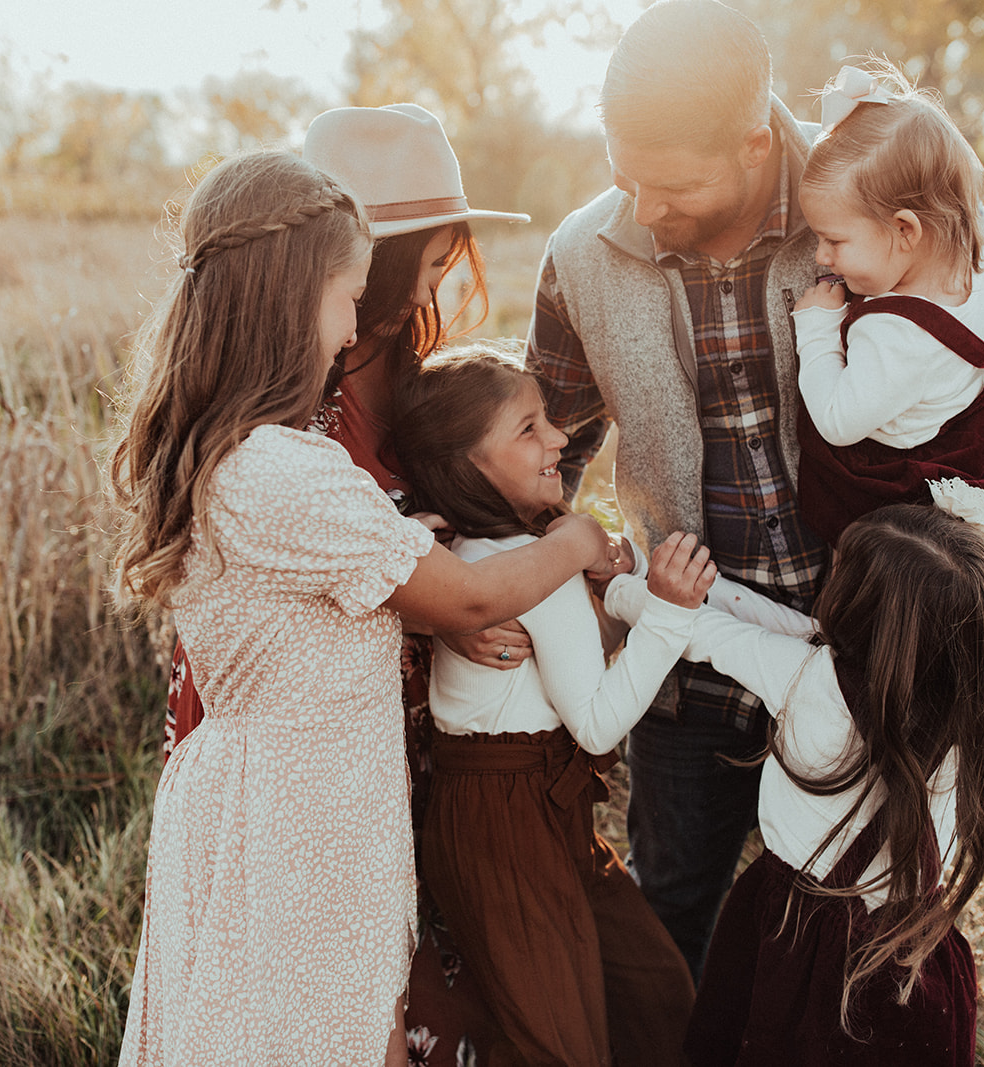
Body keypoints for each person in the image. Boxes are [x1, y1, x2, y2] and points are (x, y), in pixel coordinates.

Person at [524, 0, 984, 978]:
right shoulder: (580, 254)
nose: (641, 207)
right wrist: (521, 582)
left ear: (752, 138)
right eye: (623, 178)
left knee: (877, 912)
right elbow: (547, 449)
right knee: (673, 905)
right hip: (694, 645)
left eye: (672, 184)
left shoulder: (859, 198)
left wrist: (966, 546)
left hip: (881, 654)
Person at [108, 150, 614, 1066]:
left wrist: (392, 536)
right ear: (288, 299)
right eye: (346, 296)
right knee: (330, 1028)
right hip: (309, 810)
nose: (352, 330)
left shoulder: (242, 456)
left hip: (274, 787)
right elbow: (462, 595)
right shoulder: (287, 472)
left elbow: (319, 575)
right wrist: (577, 543)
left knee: (269, 1025)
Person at [392, 344, 707, 1066]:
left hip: (535, 811)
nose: (560, 439)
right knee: (557, 1043)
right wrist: (669, 614)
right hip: (504, 822)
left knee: (650, 988)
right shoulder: (532, 567)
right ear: (470, 464)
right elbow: (596, 718)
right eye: (528, 429)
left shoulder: (483, 551)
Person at [608, 502, 984, 1065]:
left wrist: (621, 589)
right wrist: (715, 584)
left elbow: (697, 633)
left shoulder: (804, 677)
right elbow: (791, 626)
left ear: (858, 604)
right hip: (904, 953)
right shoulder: (973, 708)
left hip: (795, 933)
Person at [790, 61, 984, 745]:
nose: (824, 257)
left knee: (902, 606)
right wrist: (977, 226)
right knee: (977, 583)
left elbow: (835, 415)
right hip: (976, 457)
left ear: (908, 230)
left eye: (834, 239)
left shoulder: (895, 332)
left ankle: (920, 724)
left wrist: (819, 327)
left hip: (904, 484)